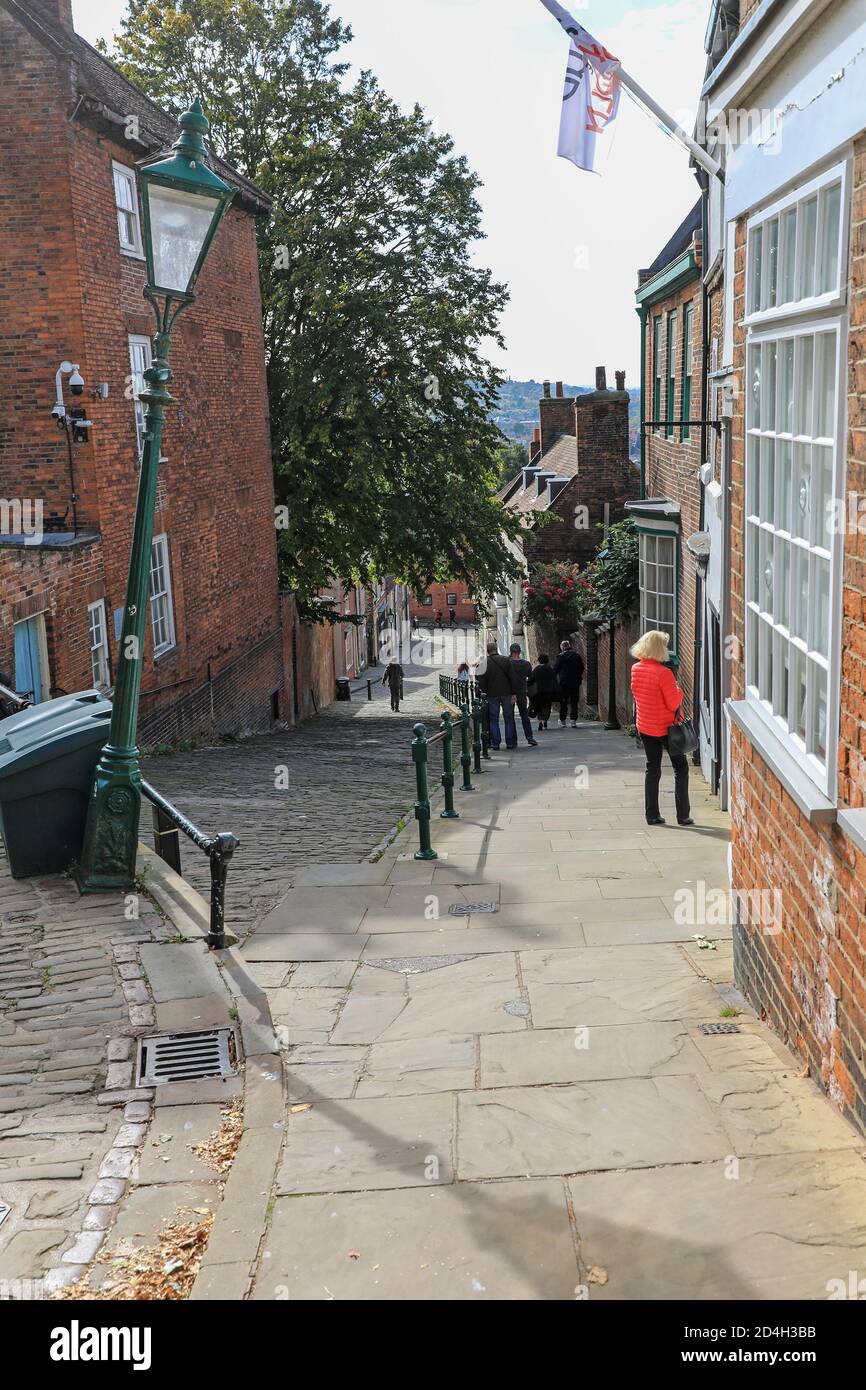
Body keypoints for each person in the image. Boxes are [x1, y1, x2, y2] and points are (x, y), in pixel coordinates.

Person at [629, 629, 693, 826]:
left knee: (652, 769)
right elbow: (674, 704)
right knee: (680, 768)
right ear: (658, 649)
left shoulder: (636, 669)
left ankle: (652, 815)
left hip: (645, 726)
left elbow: (638, 695)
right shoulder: (664, 673)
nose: (666, 649)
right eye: (664, 646)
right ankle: (682, 816)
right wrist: (679, 690)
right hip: (667, 729)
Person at [476, 641, 519, 750]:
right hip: (507, 693)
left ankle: (496, 743)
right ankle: (509, 742)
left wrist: (485, 691)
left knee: (493, 720)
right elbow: (513, 678)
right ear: (496, 649)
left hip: (492, 694)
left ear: (487, 651)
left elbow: (481, 681)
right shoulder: (506, 660)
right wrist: (514, 693)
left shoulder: (484, 663)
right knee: (508, 719)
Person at [508, 643, 538, 747]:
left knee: (510, 717)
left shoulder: (508, 663)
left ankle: (513, 740)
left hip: (510, 693)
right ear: (520, 652)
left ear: (511, 652)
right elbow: (530, 677)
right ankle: (529, 737)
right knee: (524, 715)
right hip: (521, 691)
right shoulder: (526, 664)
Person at [553, 640, 584, 727]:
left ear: (562, 648)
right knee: (574, 701)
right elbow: (581, 667)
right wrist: (577, 676)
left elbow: (555, 670)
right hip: (575, 682)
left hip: (564, 683)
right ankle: (573, 720)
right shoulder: (576, 656)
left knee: (563, 701)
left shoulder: (560, 657)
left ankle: (562, 720)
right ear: (569, 646)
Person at [529, 653, 559, 731]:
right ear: (547, 661)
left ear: (539, 660)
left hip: (538, 692)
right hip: (548, 692)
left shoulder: (536, 669)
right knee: (547, 707)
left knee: (539, 707)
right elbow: (554, 681)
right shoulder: (550, 669)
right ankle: (545, 720)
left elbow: (531, 680)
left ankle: (540, 721)